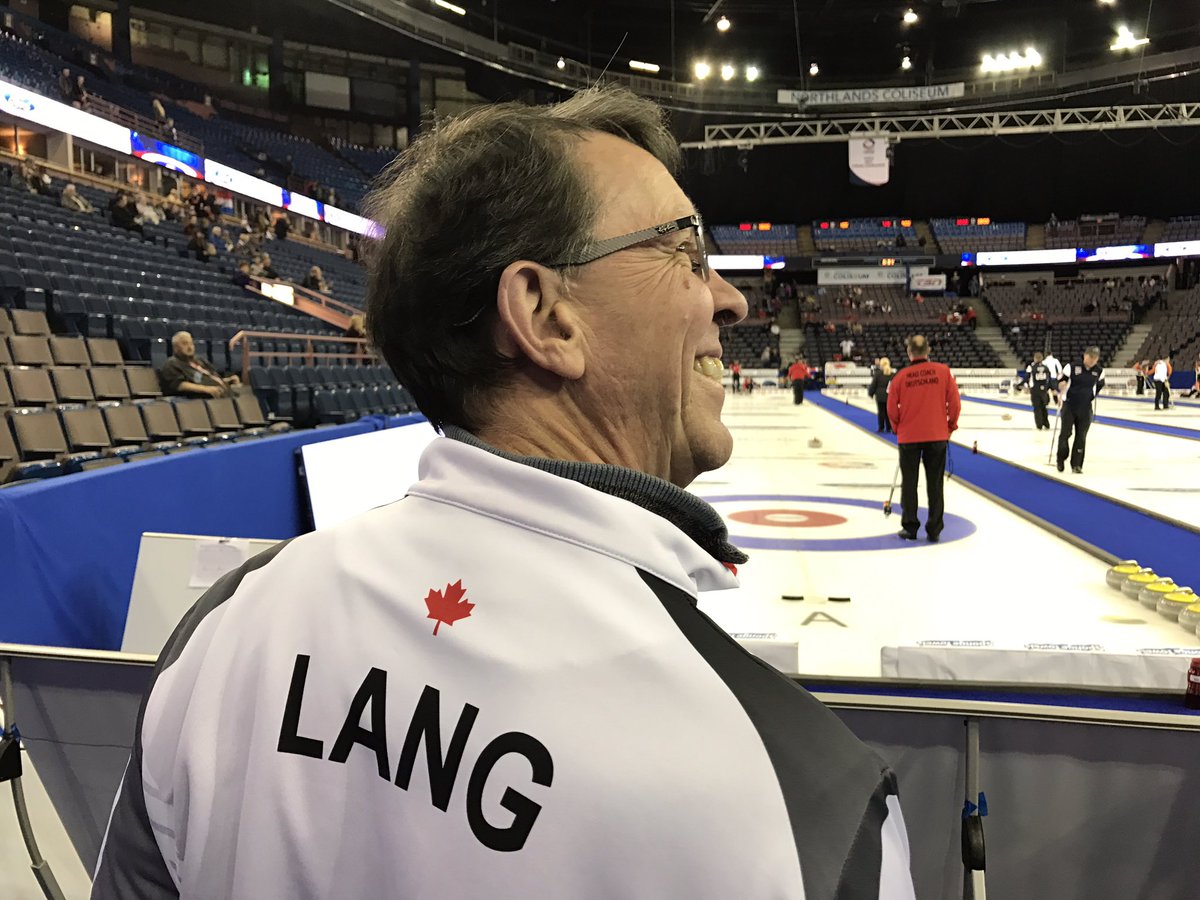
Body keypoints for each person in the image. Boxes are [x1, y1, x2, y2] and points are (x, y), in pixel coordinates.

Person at [93, 86, 915, 900]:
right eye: (686, 254)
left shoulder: (232, 629)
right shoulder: (801, 798)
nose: (730, 299)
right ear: (546, 316)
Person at [887, 334, 961, 542]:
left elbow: (891, 408)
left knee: (909, 482)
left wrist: (897, 428)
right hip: (937, 435)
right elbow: (954, 403)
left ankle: (910, 527)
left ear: (909, 352)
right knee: (935, 483)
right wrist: (950, 426)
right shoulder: (943, 372)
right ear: (928, 351)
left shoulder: (900, 377)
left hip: (908, 437)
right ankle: (934, 528)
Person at [1056, 346, 1105, 473]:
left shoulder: (1099, 371)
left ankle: (1076, 465)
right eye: (1090, 357)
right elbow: (1061, 380)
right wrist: (1061, 386)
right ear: (1085, 355)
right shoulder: (1071, 367)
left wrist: (1091, 396)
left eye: (1095, 358)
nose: (1092, 361)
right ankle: (1061, 458)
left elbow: (1099, 385)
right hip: (1070, 405)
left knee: (1081, 436)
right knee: (1065, 433)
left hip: (1085, 407)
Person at [158, 331, 240, 398]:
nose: (190, 347)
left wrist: (227, 380)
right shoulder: (172, 363)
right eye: (185, 344)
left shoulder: (199, 360)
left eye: (191, 343)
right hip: (201, 399)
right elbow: (179, 385)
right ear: (175, 347)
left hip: (224, 395)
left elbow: (209, 379)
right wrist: (207, 389)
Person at [867, 357, 894, 433]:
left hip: (880, 396)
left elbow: (873, 385)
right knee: (888, 412)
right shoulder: (892, 374)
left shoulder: (878, 374)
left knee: (881, 412)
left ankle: (881, 427)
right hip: (889, 396)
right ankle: (889, 427)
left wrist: (870, 393)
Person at [1026, 351, 1052, 430]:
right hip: (1043, 390)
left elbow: (1027, 378)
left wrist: (1020, 385)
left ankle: (1039, 424)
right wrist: (1048, 388)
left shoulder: (1031, 367)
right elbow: (1049, 379)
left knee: (1037, 408)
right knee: (1044, 407)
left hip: (1035, 390)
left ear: (1035, 358)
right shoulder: (1046, 367)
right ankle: (1046, 423)